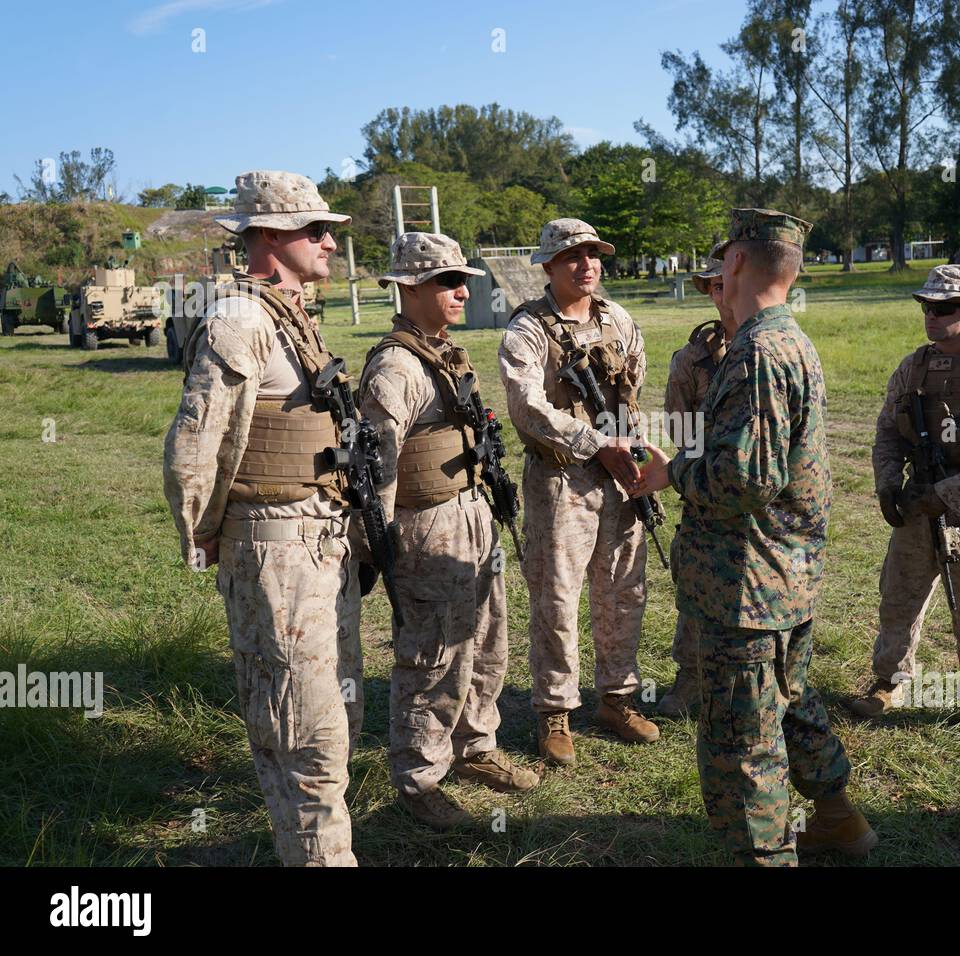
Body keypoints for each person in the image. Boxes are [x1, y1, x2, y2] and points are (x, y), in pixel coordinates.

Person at [634, 208, 876, 866]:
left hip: (747, 590)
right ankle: (838, 819)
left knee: (743, 751)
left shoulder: (761, 352)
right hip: (782, 578)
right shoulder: (787, 338)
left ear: (736, 262)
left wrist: (672, 470)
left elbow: (746, 480)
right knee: (790, 704)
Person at [162, 170, 361, 865]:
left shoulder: (289, 314)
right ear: (270, 237)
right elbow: (195, 442)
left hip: (324, 541)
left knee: (335, 717)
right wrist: (205, 534)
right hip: (275, 548)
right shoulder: (239, 320)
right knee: (302, 727)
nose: (330, 242)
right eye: (316, 230)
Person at [358, 232, 539, 828]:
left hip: (470, 515)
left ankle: (475, 745)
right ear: (410, 288)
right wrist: (377, 549)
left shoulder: (444, 351)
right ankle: (417, 777)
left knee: (486, 640)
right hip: (425, 527)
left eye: (462, 279)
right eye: (446, 282)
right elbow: (376, 472)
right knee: (432, 655)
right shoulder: (395, 367)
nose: (463, 291)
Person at [498, 218, 659, 766]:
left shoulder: (618, 318)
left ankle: (617, 698)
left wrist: (631, 452)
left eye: (593, 254)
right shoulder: (527, 330)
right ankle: (554, 712)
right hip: (562, 477)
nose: (587, 264)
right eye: (572, 256)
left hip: (620, 475)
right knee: (557, 596)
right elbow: (526, 408)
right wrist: (596, 443)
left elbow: (634, 385)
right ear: (547, 266)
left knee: (623, 589)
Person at [849, 264, 960, 746]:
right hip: (917, 501)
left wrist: (952, 495)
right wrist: (889, 485)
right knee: (898, 599)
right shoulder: (913, 367)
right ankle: (889, 682)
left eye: (945, 308)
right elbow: (888, 430)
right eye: (927, 306)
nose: (933, 316)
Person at [656, 258, 730, 719]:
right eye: (715, 287)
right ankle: (690, 679)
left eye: (729, 284)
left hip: (762, 497)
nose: (723, 295)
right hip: (707, 494)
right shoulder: (690, 360)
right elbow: (683, 438)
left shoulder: (769, 347)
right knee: (698, 585)